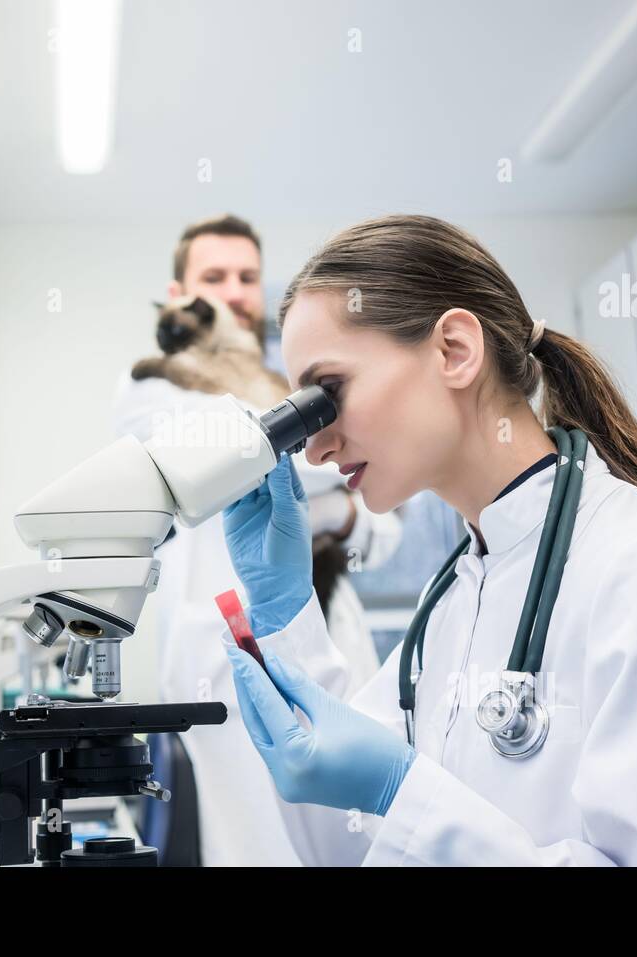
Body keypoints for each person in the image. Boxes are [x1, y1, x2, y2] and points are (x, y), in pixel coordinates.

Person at [221, 214, 637, 866]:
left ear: (455, 349)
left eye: (328, 392)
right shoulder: (452, 601)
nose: (313, 445)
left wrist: (410, 795)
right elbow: (349, 839)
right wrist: (283, 614)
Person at [112, 213, 403, 865]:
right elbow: (238, 450)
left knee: (349, 836)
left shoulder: (284, 386)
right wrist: (321, 476)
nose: (235, 291)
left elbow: (382, 526)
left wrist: (338, 516)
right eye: (214, 276)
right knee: (256, 843)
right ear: (179, 291)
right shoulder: (153, 384)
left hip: (327, 633)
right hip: (224, 657)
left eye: (247, 276)